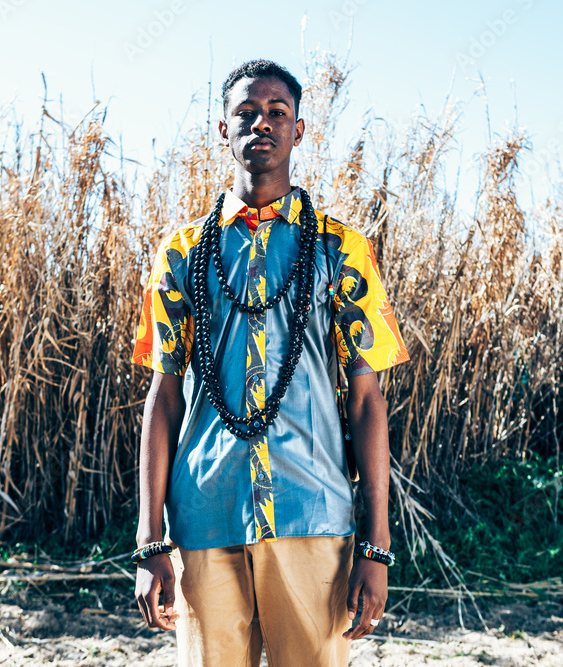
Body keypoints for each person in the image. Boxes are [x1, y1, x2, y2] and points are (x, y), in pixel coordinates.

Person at [131, 59, 409, 667]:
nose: (262, 124)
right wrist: (150, 540)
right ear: (222, 131)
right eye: (246, 113)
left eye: (276, 113)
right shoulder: (180, 253)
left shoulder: (341, 248)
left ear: (299, 130)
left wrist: (377, 546)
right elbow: (164, 396)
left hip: (313, 512)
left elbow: (366, 400)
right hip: (205, 515)